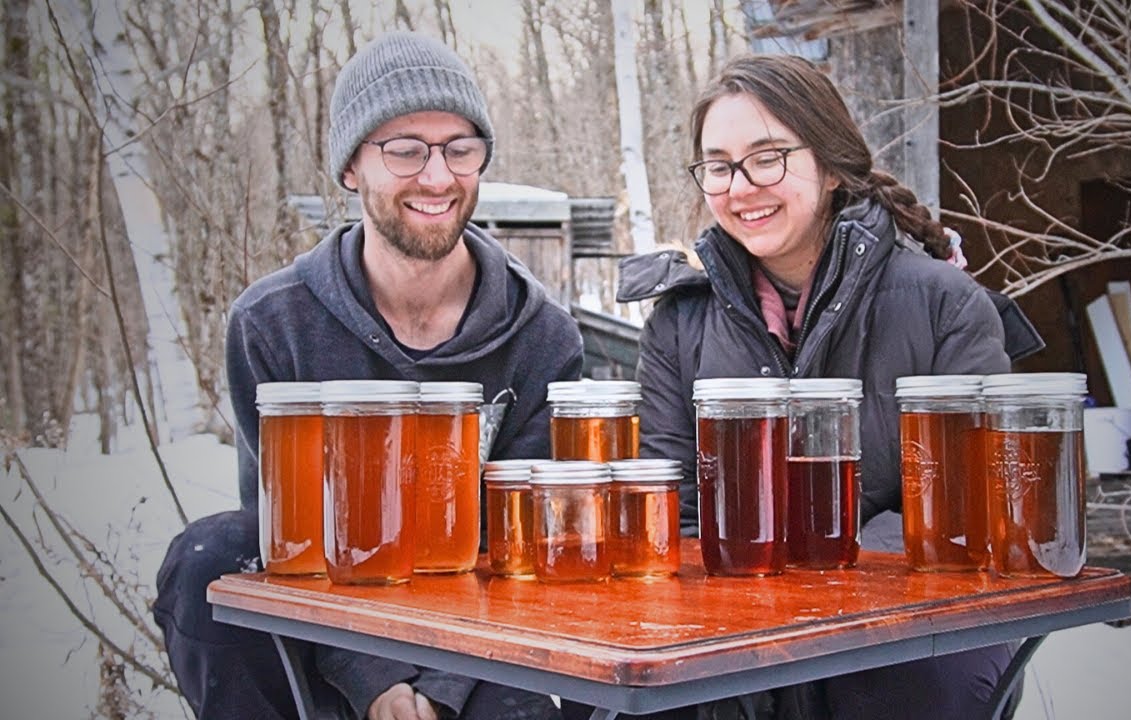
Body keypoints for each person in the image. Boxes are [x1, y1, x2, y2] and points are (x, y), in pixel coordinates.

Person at [591, 54, 1043, 720]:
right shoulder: (680, 325)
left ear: (831, 167)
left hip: (912, 619)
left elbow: (965, 508)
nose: (741, 187)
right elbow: (677, 509)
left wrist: (821, 600)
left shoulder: (944, 304)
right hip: (736, 614)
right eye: (719, 166)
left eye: (767, 158)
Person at [152, 32, 583, 720]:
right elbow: (282, 540)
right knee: (210, 558)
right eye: (405, 150)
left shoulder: (542, 338)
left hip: (479, 639)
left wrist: (440, 685)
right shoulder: (275, 325)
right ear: (351, 166)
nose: (437, 177)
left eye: (459, 148)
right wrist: (374, 677)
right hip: (329, 629)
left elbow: (518, 552)